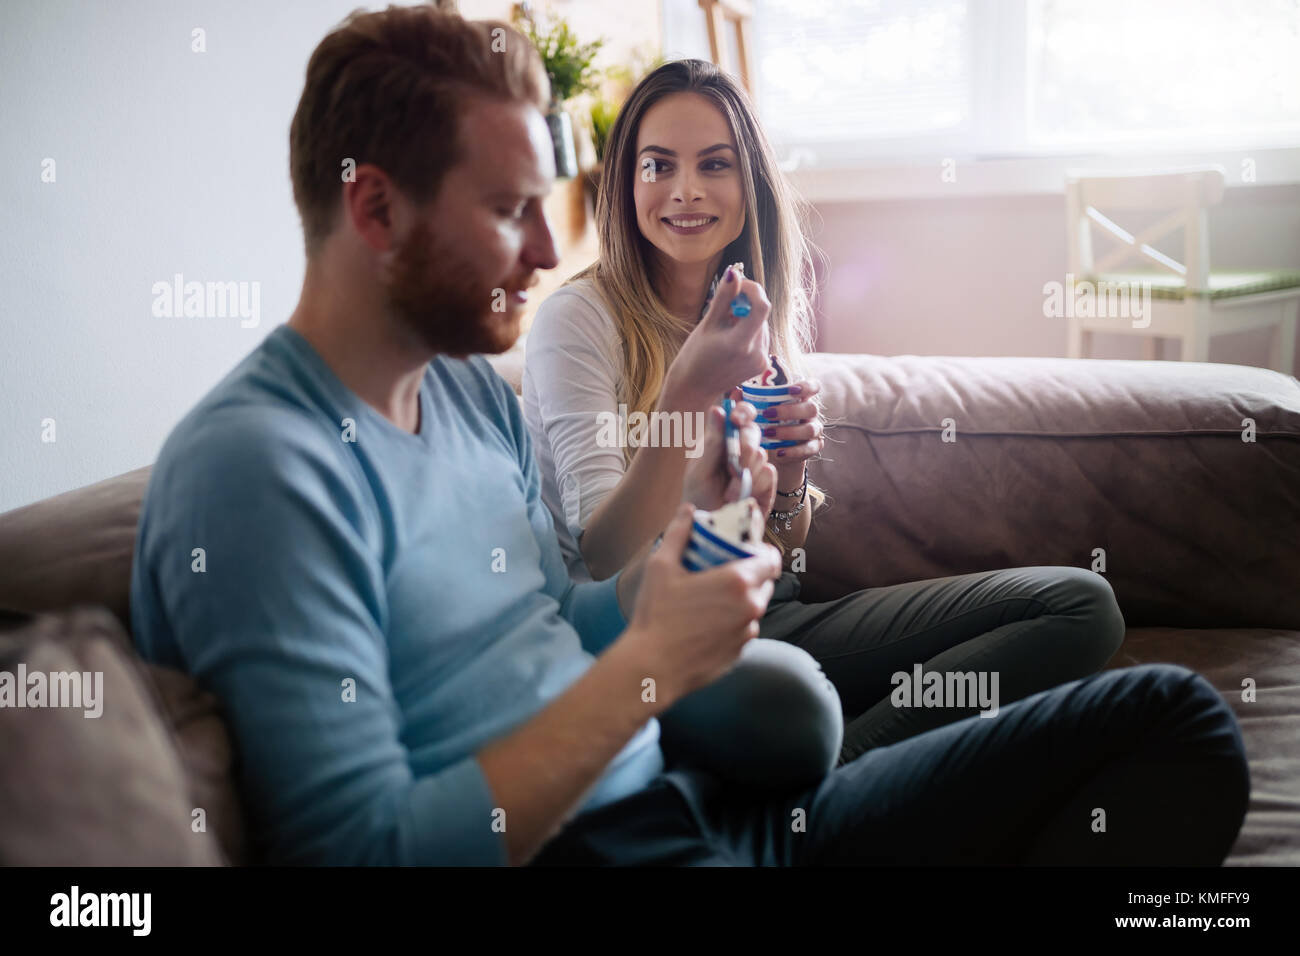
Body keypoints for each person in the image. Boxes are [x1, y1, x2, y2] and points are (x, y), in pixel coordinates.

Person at [131, 5, 1249, 866]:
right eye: (510, 209)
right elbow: (366, 851)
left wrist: (706, 542)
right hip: (620, 845)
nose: (539, 252)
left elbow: (568, 598)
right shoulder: (257, 469)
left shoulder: (466, 397)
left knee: (1175, 720)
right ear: (374, 209)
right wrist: (648, 670)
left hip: (715, 801)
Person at [522, 59, 1127, 764]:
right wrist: (685, 397)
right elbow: (602, 562)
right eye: (658, 166)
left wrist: (786, 480)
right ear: (627, 184)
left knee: (1080, 606)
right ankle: (846, 796)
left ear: (750, 183)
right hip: (653, 645)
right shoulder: (578, 319)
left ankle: (846, 774)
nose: (684, 191)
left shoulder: (748, 308)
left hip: (765, 619)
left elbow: (780, 563)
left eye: (714, 165)